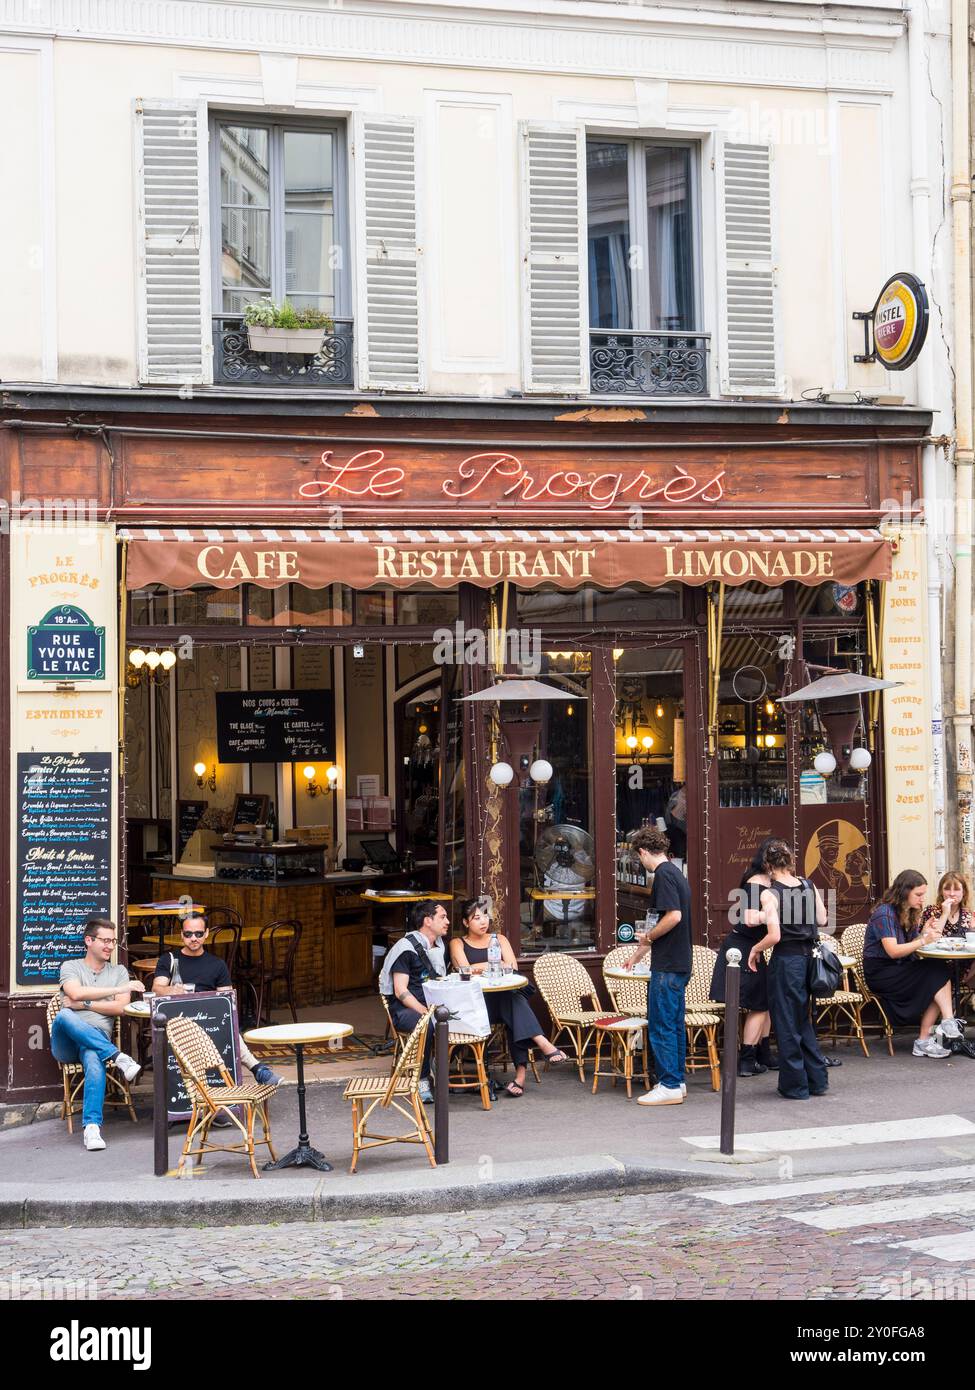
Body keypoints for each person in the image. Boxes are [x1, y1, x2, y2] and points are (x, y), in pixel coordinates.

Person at [450, 897, 568, 1096]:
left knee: (513, 1005)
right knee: (515, 1006)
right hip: (477, 1005)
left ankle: (520, 1077)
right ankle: (541, 1047)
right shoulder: (457, 942)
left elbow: (512, 967)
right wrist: (490, 965)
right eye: (476, 917)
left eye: (485, 916)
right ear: (465, 922)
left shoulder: (499, 939)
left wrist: (479, 968)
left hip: (502, 999)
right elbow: (464, 969)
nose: (483, 921)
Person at [152, 916, 281, 1087]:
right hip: (177, 1022)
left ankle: (257, 1069)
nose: (193, 938)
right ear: (181, 935)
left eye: (198, 933)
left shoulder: (217, 964)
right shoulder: (168, 959)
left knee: (229, 1027)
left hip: (208, 1020)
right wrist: (172, 990)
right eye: (188, 933)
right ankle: (257, 1068)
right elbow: (157, 988)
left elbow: (227, 1000)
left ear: (206, 934)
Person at [745, 841, 830, 1101]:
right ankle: (817, 1080)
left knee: (785, 1023)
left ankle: (795, 1086)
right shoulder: (808, 884)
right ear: (790, 862)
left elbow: (774, 935)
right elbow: (823, 919)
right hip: (809, 960)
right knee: (803, 1020)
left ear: (769, 866)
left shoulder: (770, 894)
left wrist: (755, 949)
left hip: (787, 961)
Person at [52, 917, 144, 1152]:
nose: (110, 946)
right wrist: (118, 990)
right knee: (63, 1015)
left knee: (94, 1057)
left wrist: (84, 1003)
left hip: (97, 1038)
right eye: (105, 940)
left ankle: (92, 1128)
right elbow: (73, 992)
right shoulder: (71, 966)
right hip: (67, 1043)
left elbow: (119, 1008)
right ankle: (117, 1056)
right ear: (88, 940)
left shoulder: (119, 971)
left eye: (113, 941)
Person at [623, 827, 692, 1106]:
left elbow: (672, 917)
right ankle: (677, 1081)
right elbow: (662, 921)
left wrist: (648, 938)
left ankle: (669, 1084)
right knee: (673, 1024)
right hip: (679, 959)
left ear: (642, 852)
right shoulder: (676, 873)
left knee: (662, 1024)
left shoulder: (662, 875)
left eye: (639, 858)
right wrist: (638, 955)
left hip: (668, 963)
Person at [863, 870, 957, 1057]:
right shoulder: (885, 913)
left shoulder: (910, 911)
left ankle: (941, 1027)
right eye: (918, 895)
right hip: (881, 972)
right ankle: (932, 1034)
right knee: (936, 974)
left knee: (940, 971)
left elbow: (911, 944)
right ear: (904, 891)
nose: (922, 899)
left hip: (900, 967)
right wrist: (923, 940)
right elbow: (893, 951)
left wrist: (923, 933)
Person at [710, 838, 777, 1077]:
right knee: (758, 1006)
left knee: (765, 1003)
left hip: (753, 946)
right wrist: (774, 914)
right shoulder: (755, 882)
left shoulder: (768, 881)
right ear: (769, 860)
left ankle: (764, 1054)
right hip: (744, 948)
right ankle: (747, 1060)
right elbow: (749, 918)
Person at [379, 900, 450, 1103]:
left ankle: (442, 1065)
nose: (447, 922)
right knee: (425, 1024)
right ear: (428, 921)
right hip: (405, 1009)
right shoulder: (406, 948)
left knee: (464, 1016)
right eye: (442, 917)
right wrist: (425, 1011)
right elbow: (401, 991)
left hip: (432, 1003)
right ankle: (422, 1078)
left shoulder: (439, 945)